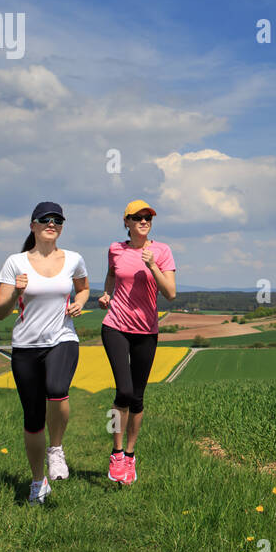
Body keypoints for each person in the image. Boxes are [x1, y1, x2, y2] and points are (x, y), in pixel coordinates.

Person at [0, 201, 89, 505]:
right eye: (45, 219)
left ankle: (56, 450)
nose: (52, 223)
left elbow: (84, 288)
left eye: (58, 220)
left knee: (57, 389)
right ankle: (38, 482)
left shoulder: (73, 258)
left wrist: (81, 302)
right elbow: (0, 312)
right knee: (33, 418)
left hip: (63, 338)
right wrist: (15, 293)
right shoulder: (15, 263)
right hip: (25, 346)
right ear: (33, 225)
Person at [99, 199, 176, 485]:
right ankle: (116, 452)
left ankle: (130, 456)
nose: (144, 221)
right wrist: (107, 294)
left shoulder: (162, 251)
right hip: (115, 326)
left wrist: (153, 266)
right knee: (124, 391)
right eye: (138, 217)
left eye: (148, 217)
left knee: (138, 397)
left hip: (146, 330)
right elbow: (110, 275)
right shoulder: (115, 249)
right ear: (127, 222)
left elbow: (170, 293)